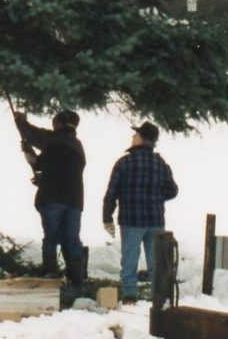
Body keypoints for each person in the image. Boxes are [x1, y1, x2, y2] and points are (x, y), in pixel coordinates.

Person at [101, 120, 178, 302]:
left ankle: (129, 296)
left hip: (131, 220)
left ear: (142, 139)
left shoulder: (124, 163)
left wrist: (107, 217)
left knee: (129, 260)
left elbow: (111, 193)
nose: (133, 137)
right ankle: (159, 298)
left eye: (136, 134)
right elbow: (173, 190)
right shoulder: (161, 164)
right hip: (155, 220)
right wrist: (157, 198)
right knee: (156, 262)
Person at [14, 109, 87, 285]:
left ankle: (49, 277)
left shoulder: (53, 140)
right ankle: (77, 280)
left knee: (51, 238)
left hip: (52, 197)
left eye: (55, 121)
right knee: (72, 238)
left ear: (59, 123)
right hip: (74, 199)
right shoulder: (77, 145)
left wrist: (20, 121)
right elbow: (48, 166)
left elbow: (31, 136)